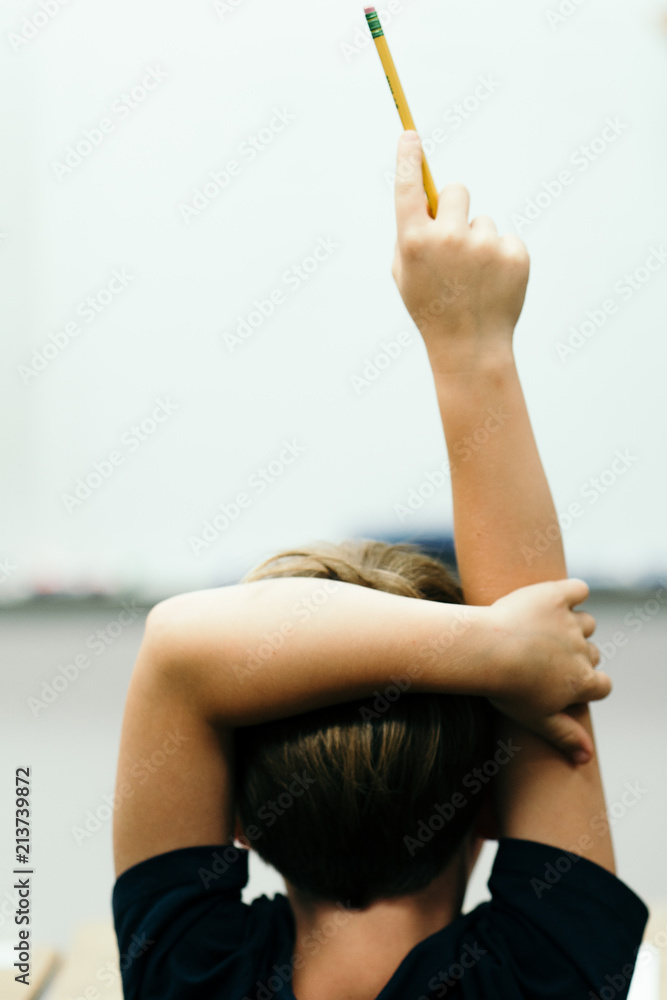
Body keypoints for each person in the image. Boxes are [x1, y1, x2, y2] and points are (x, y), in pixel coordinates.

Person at [111, 130, 649, 1000]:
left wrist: (498, 651)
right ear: (487, 805)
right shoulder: (546, 977)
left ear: (240, 819)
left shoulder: (187, 976)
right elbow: (188, 657)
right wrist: (468, 342)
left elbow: (180, 648)